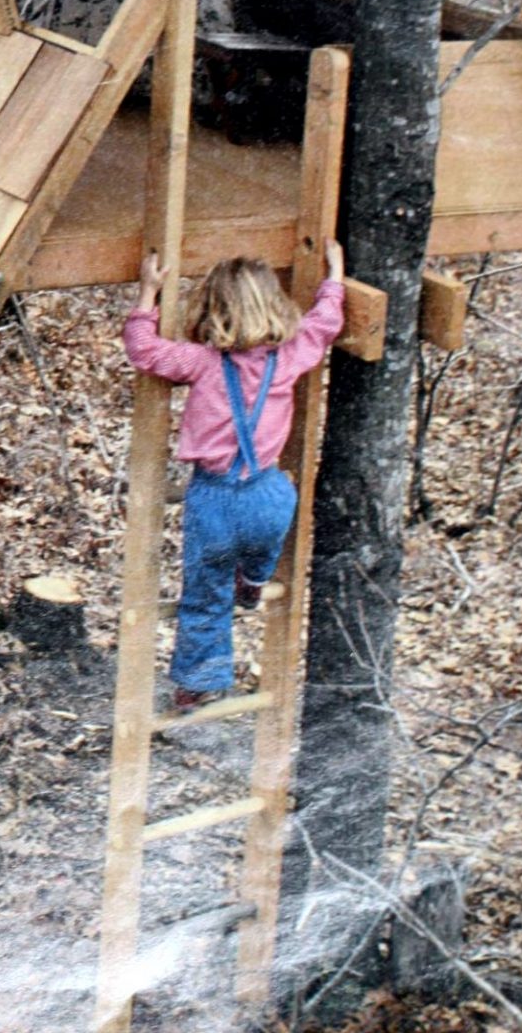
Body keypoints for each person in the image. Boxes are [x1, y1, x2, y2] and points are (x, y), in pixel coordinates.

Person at [123, 242, 345, 711]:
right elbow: (324, 324)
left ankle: (201, 682)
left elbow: (143, 351)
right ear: (274, 306)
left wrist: (147, 295)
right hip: (270, 493)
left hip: (214, 499)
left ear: (212, 310)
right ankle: (255, 577)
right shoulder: (288, 357)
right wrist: (334, 277)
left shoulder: (201, 362)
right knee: (262, 544)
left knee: (206, 593)